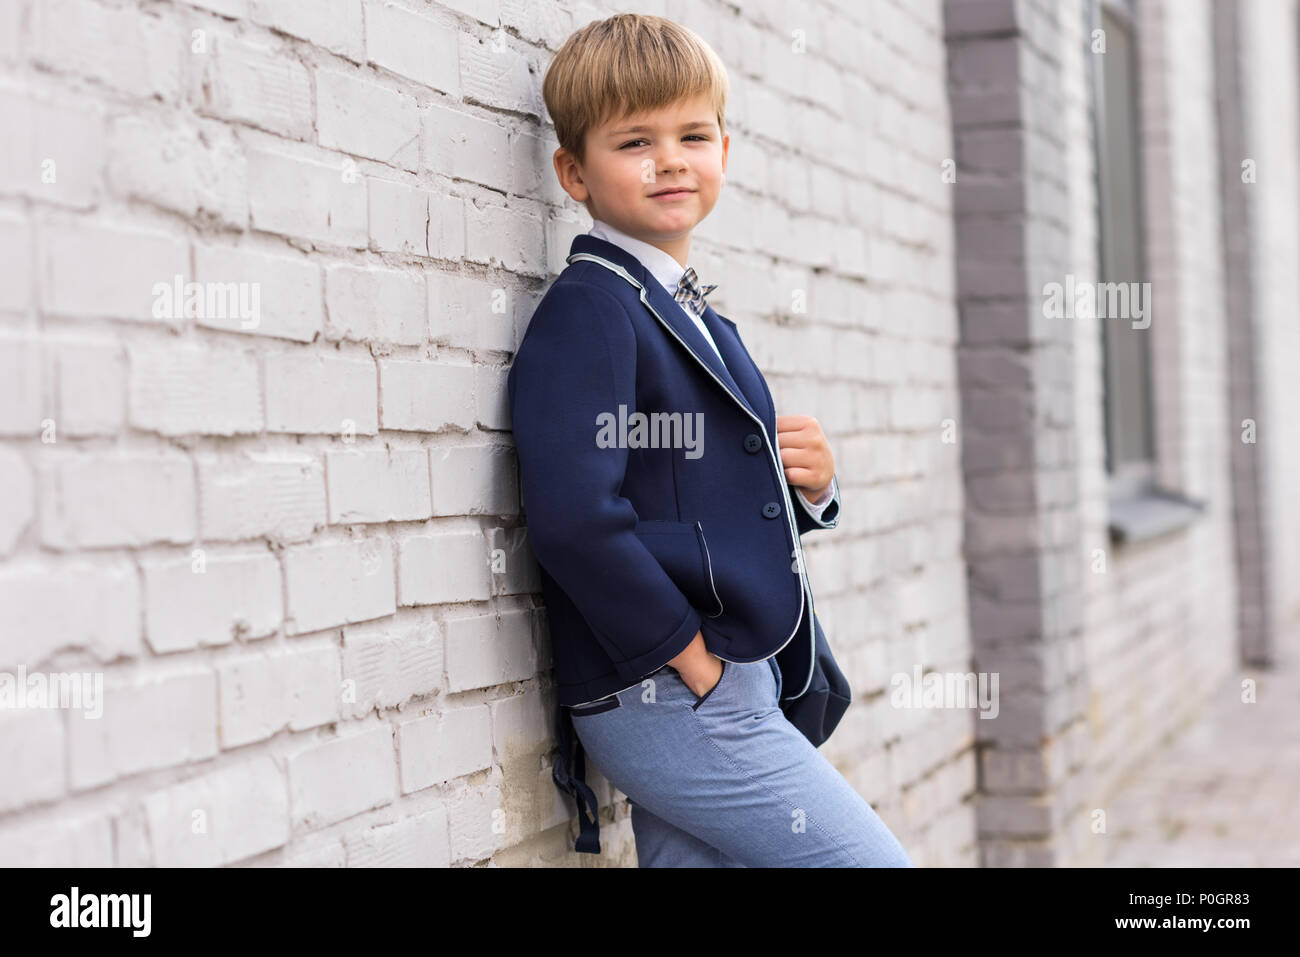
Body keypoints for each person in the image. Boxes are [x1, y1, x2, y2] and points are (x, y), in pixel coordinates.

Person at [506, 12, 913, 867]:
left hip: (714, 679)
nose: (670, 159)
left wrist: (812, 492)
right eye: (635, 142)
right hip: (673, 685)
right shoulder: (593, 307)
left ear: (724, 149)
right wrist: (693, 664)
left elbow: (707, 504)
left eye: (693, 133)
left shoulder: (695, 312)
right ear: (573, 173)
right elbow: (578, 516)